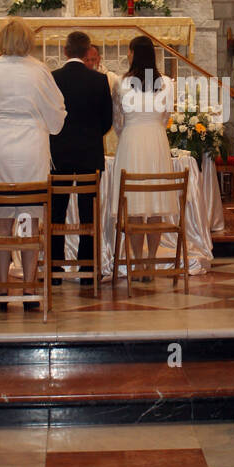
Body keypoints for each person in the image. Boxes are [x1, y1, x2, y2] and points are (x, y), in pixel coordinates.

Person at [0, 19, 66, 310]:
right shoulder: (39, 71)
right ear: (28, 42)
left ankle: (0, 289)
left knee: (1, 218)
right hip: (30, 145)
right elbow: (57, 113)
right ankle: (27, 287)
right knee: (28, 217)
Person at [50, 31, 113, 285]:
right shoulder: (99, 80)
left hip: (59, 153)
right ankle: (88, 269)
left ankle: (55, 269)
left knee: (57, 210)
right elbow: (106, 120)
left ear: (65, 51)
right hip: (89, 153)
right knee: (89, 211)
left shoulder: (53, 78)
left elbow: (49, 115)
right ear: (87, 51)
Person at [111, 35, 176, 281]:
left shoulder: (121, 83)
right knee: (156, 204)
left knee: (134, 205)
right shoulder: (167, 83)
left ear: (132, 54)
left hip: (132, 140)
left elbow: (117, 121)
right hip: (156, 140)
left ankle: (137, 261)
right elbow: (166, 117)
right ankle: (150, 262)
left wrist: (129, 131)